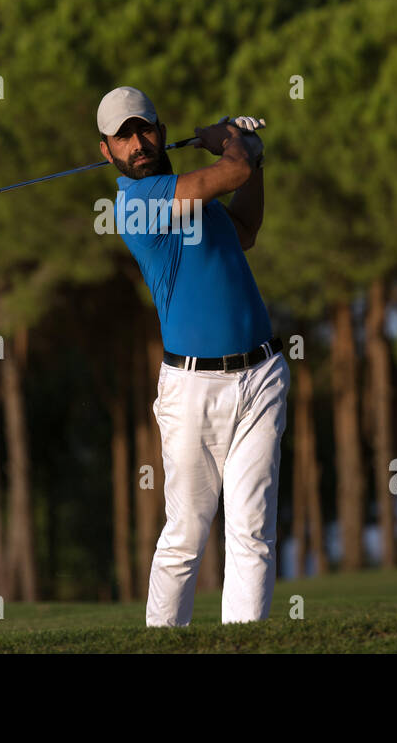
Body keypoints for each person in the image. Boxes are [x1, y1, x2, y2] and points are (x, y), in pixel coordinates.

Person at [96, 85, 290, 627]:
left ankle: (244, 641)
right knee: (185, 537)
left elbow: (246, 228)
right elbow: (232, 174)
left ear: (159, 131)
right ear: (106, 151)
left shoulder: (194, 196)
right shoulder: (136, 204)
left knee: (252, 532)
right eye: (123, 136)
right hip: (193, 391)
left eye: (144, 129)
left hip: (262, 375)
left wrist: (254, 153)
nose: (137, 142)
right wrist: (231, 142)